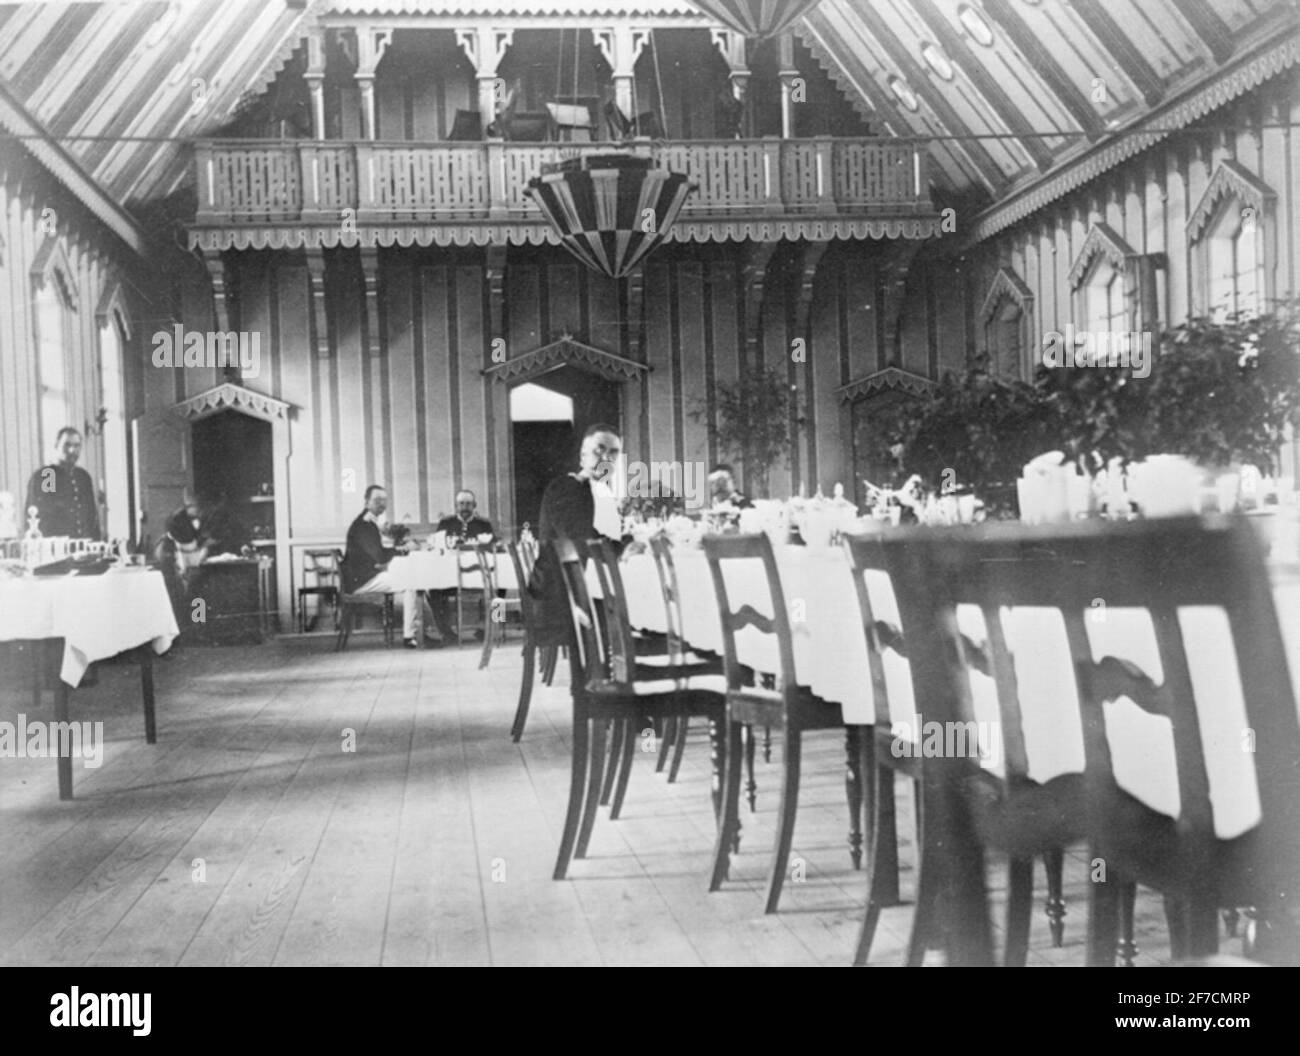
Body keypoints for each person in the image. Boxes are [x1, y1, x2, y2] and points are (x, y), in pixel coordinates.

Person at [528, 423, 626, 647]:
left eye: (613, 453)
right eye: (599, 450)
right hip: (559, 600)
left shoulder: (598, 492)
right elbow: (584, 541)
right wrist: (627, 547)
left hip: (579, 590)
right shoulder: (567, 488)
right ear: (582, 456)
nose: (606, 458)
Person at [341, 485, 433, 648]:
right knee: (412, 583)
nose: (381, 504)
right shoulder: (364, 524)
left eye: (384, 500)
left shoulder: (368, 522)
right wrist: (404, 549)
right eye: (377, 500)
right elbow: (379, 556)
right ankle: (411, 636)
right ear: (366, 501)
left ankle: (416, 633)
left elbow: (379, 553)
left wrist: (400, 550)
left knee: (411, 580)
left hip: (363, 577)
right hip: (361, 581)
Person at [429, 489, 497, 642]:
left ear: (475, 505)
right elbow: (438, 546)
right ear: (455, 506)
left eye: (468, 504)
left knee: (500, 586)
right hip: (451, 578)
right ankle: (446, 632)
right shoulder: (446, 523)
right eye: (461, 504)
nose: (465, 507)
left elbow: (493, 546)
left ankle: (491, 628)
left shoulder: (484, 524)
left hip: (480, 578)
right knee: (433, 590)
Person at [25, 427, 100, 539]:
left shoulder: (83, 476)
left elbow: (91, 516)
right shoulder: (48, 475)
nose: (72, 450)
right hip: (59, 548)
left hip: (83, 545)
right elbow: (45, 517)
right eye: (67, 445)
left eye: (76, 446)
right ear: (56, 446)